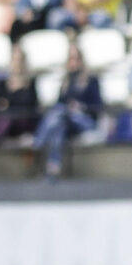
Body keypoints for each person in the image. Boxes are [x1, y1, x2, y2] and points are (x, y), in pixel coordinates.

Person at [34, 44, 103, 180]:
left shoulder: (91, 81)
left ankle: (38, 142)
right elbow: (59, 103)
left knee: (60, 112)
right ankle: (53, 168)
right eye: (71, 59)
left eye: (76, 59)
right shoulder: (66, 82)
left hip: (85, 121)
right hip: (67, 121)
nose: (73, 62)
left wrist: (80, 107)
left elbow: (98, 107)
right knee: (60, 127)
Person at [0, 48, 40, 147]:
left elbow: (29, 105)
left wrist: (8, 101)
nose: (17, 63)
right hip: (5, 118)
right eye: (14, 60)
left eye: (19, 60)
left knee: (7, 118)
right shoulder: (3, 83)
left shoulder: (30, 83)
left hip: (22, 121)